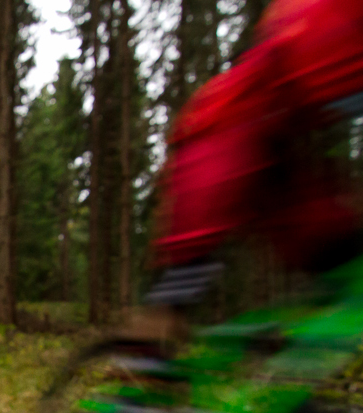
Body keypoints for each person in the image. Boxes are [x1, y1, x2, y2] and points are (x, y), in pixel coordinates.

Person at [127, 0, 363, 342]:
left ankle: (292, 372)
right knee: (182, 276)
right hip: (222, 135)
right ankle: (139, 372)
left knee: (341, 254)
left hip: (278, 147)